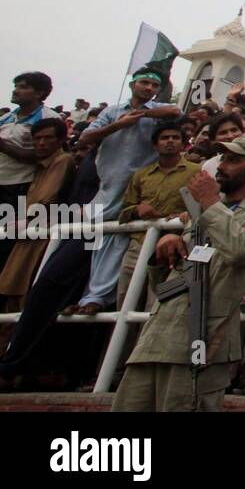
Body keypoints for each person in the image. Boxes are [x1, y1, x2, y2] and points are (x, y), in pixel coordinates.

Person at [112, 137, 245, 411]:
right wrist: (164, 252)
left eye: (233, 160)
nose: (223, 165)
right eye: (222, 158)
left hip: (204, 337)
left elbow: (241, 249)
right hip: (159, 335)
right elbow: (169, 284)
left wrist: (211, 203)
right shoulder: (199, 211)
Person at [67, 69, 181, 315]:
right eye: (144, 82)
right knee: (94, 241)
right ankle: (87, 294)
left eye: (153, 84)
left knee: (118, 238)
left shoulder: (157, 111)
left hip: (138, 187)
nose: (148, 87)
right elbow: (85, 137)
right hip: (107, 187)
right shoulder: (111, 112)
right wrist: (119, 124)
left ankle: (97, 297)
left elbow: (175, 112)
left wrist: (142, 114)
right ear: (132, 84)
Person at [115, 122, 202, 314]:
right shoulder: (142, 175)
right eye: (164, 138)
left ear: (183, 144)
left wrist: (187, 214)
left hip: (174, 246)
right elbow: (123, 210)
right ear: (155, 145)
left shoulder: (196, 172)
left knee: (156, 303)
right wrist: (137, 209)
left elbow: (205, 207)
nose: (170, 141)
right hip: (138, 243)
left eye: (175, 137)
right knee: (125, 299)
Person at [0, 117, 76, 307]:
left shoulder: (62, 160)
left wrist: (26, 219)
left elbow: (48, 197)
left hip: (41, 231)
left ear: (60, 140)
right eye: (37, 138)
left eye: (48, 138)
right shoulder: (41, 164)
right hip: (30, 230)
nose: (41, 143)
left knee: (24, 288)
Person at [0, 72, 58, 275]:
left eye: (24, 87)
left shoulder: (49, 118)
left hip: (20, 187)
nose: (16, 90)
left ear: (40, 93)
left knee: (7, 242)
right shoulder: (7, 117)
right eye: (16, 85)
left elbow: (43, 156)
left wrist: (3, 146)